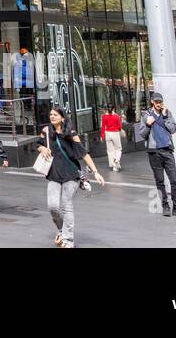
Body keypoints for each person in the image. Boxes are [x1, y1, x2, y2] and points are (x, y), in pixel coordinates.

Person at [37, 106, 105, 247]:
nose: (52, 117)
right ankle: (62, 230)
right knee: (53, 206)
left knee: (66, 206)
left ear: (62, 118)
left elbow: (83, 153)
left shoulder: (71, 133)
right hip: (54, 173)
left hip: (70, 174)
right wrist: (42, 148)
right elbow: (38, 145)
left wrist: (96, 171)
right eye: (51, 114)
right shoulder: (46, 131)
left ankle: (68, 240)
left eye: (55, 114)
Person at [139, 92, 176, 218]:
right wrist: (148, 124)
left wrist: (166, 117)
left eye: (160, 102)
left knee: (174, 181)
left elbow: (173, 129)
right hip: (154, 152)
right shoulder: (146, 115)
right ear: (152, 101)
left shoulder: (167, 113)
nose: (158, 104)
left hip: (167, 151)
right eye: (156, 102)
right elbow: (142, 134)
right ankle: (165, 206)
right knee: (160, 181)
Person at [100, 105, 124, 171]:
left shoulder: (104, 116)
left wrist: (102, 136)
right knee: (118, 149)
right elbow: (119, 127)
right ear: (113, 109)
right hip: (115, 133)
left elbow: (103, 127)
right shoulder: (116, 116)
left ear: (107, 109)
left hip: (107, 134)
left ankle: (113, 165)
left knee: (110, 151)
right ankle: (117, 159)